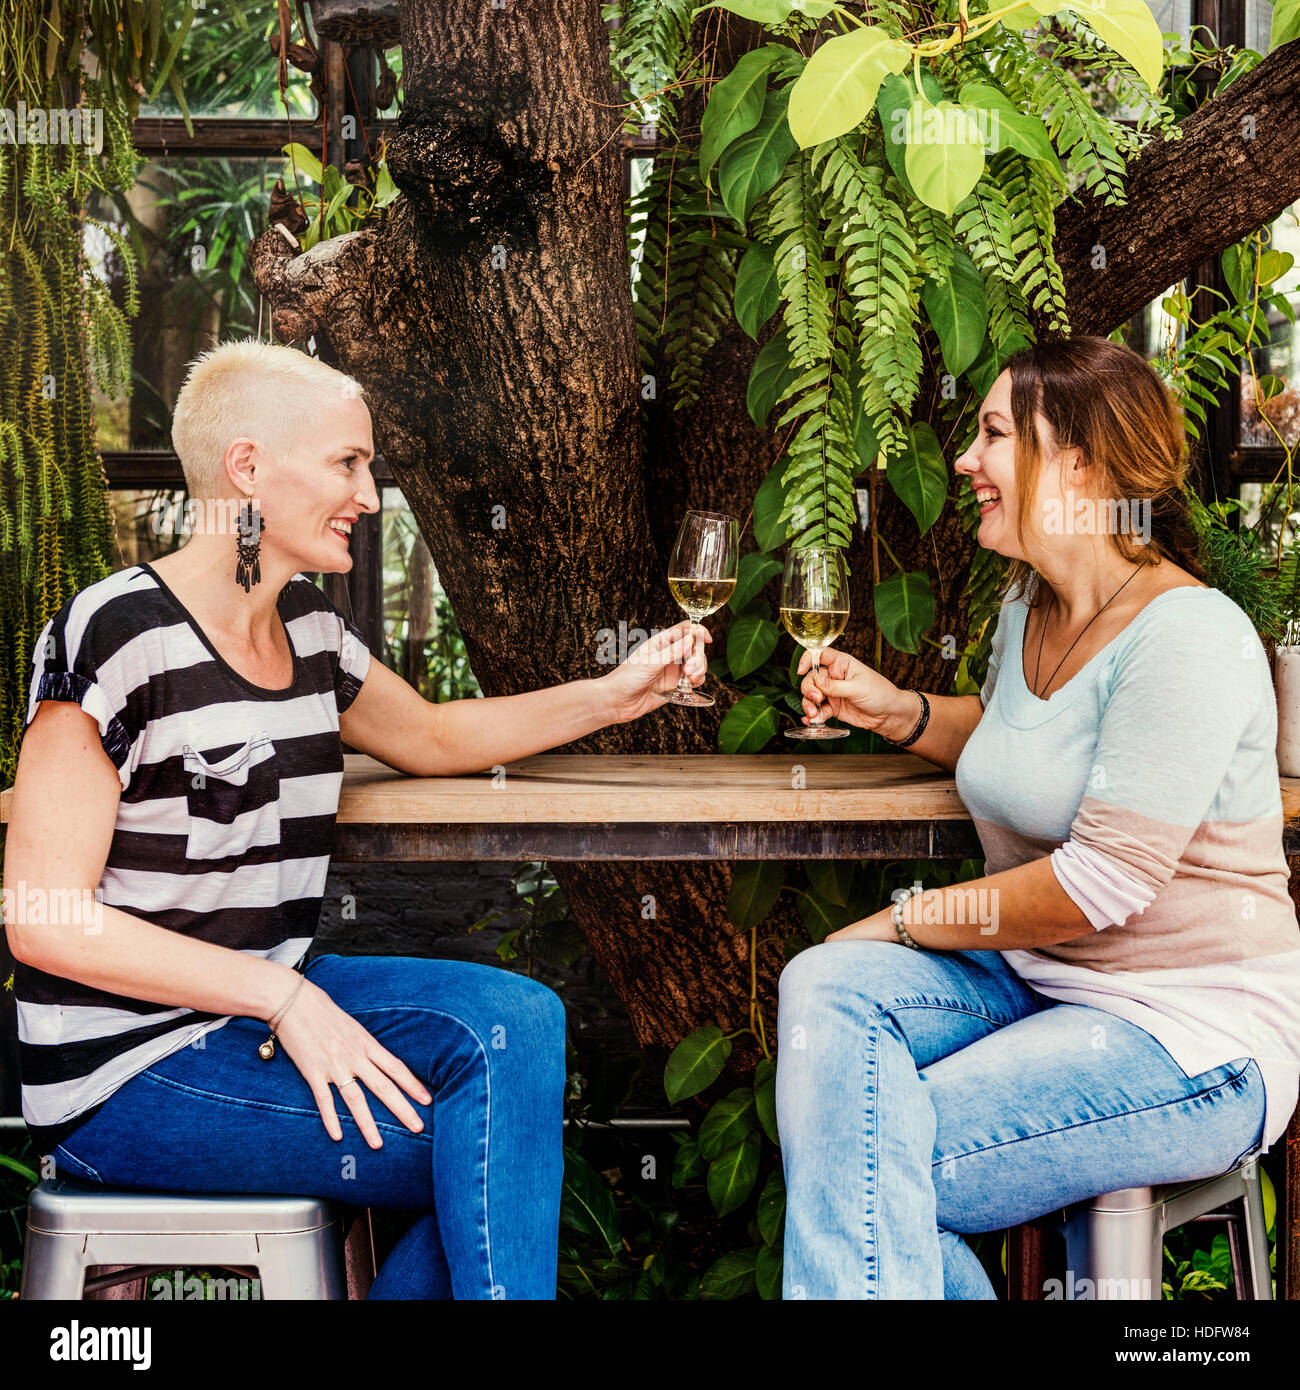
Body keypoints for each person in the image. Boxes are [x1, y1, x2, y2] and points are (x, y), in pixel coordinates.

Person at [4, 338, 712, 1300]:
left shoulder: (310, 629)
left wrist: (618, 694)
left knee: (521, 1025)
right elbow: (43, 918)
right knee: (488, 1147)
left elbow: (433, 734)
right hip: (123, 1073)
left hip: (251, 1010)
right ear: (247, 468)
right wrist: (284, 1001)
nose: (371, 496)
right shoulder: (114, 633)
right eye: (348, 463)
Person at [775, 334, 1300, 1299]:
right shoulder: (1032, 612)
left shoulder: (1189, 635)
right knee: (827, 988)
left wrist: (902, 918)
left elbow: (1099, 882)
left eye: (991, 435)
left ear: (1078, 464)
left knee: (863, 1176)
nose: (966, 461)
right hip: (1038, 983)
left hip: (1188, 1030)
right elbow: (1036, 740)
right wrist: (903, 713)